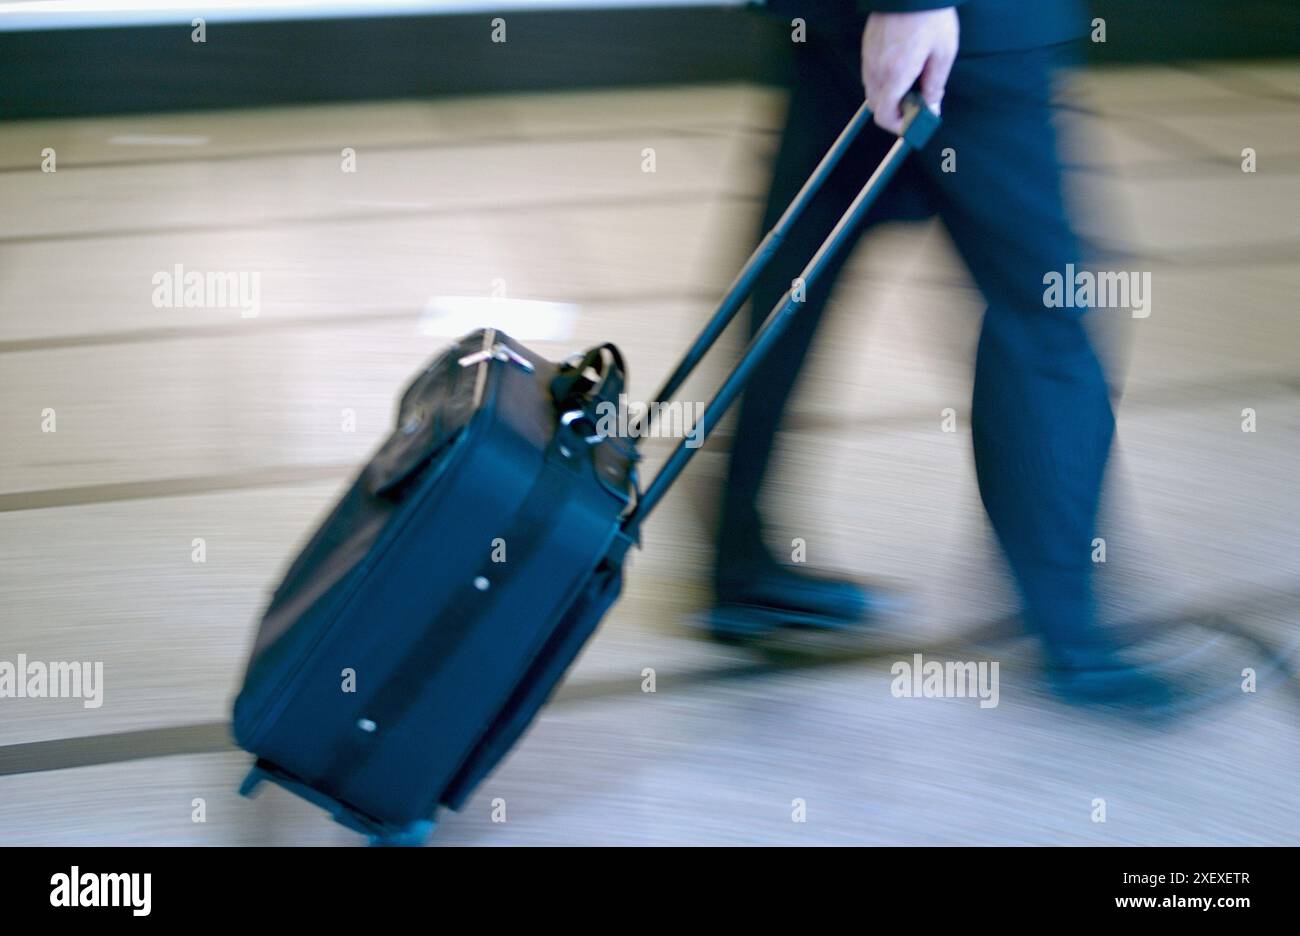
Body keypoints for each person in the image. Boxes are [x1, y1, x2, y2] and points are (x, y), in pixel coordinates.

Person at [711, 0, 1167, 705]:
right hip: (965, 26)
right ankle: (1071, 626)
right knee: (1044, 308)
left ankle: (738, 562)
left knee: (796, 275)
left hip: (843, 16)